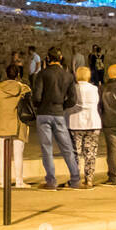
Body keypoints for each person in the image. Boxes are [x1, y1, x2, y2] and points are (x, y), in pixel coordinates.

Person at [31, 48, 80, 190]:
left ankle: (51, 181)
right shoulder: (68, 76)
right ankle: (75, 179)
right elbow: (73, 99)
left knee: (47, 148)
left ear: (48, 58)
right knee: (67, 148)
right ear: (61, 58)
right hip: (59, 113)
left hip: (44, 113)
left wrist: (39, 105)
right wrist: (62, 106)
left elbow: (37, 97)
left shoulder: (43, 74)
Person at [0, 64, 30, 189]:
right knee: (18, 153)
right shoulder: (24, 89)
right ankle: (19, 181)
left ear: (6, 74)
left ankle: (2, 181)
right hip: (18, 122)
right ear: (18, 74)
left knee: (3, 153)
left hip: (3, 121)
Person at [68, 66, 101, 188]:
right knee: (90, 153)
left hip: (76, 122)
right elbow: (97, 102)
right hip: (92, 122)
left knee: (76, 153)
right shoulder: (94, 88)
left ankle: (75, 179)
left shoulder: (73, 88)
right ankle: (89, 179)